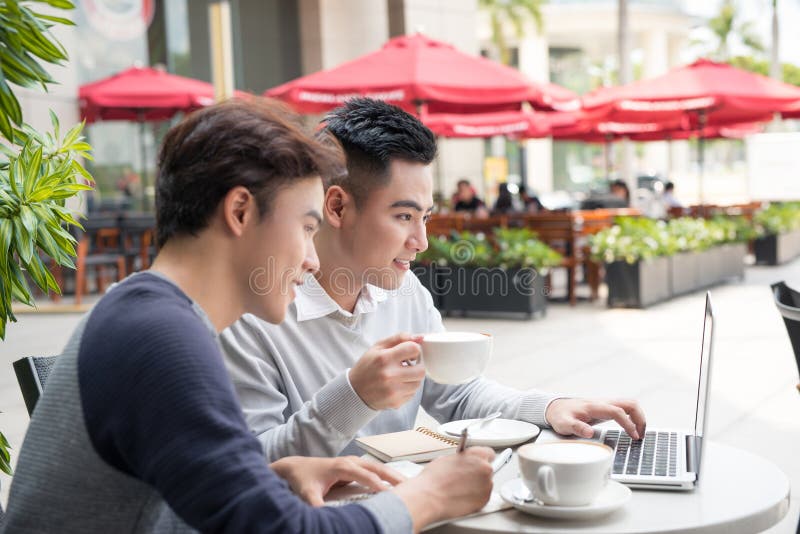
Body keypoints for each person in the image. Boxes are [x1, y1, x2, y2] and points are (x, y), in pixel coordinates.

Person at [1, 98, 496, 533]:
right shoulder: (160, 338)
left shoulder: (150, 314)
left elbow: (192, 494)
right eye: (306, 226)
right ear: (240, 212)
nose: (312, 258)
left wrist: (274, 474)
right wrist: (427, 497)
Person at [220, 98, 647, 462]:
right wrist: (354, 396)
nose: (421, 242)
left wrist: (550, 407)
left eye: (424, 218)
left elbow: (455, 394)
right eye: (403, 216)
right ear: (336, 207)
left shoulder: (405, 292)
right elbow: (254, 464)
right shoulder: (253, 313)